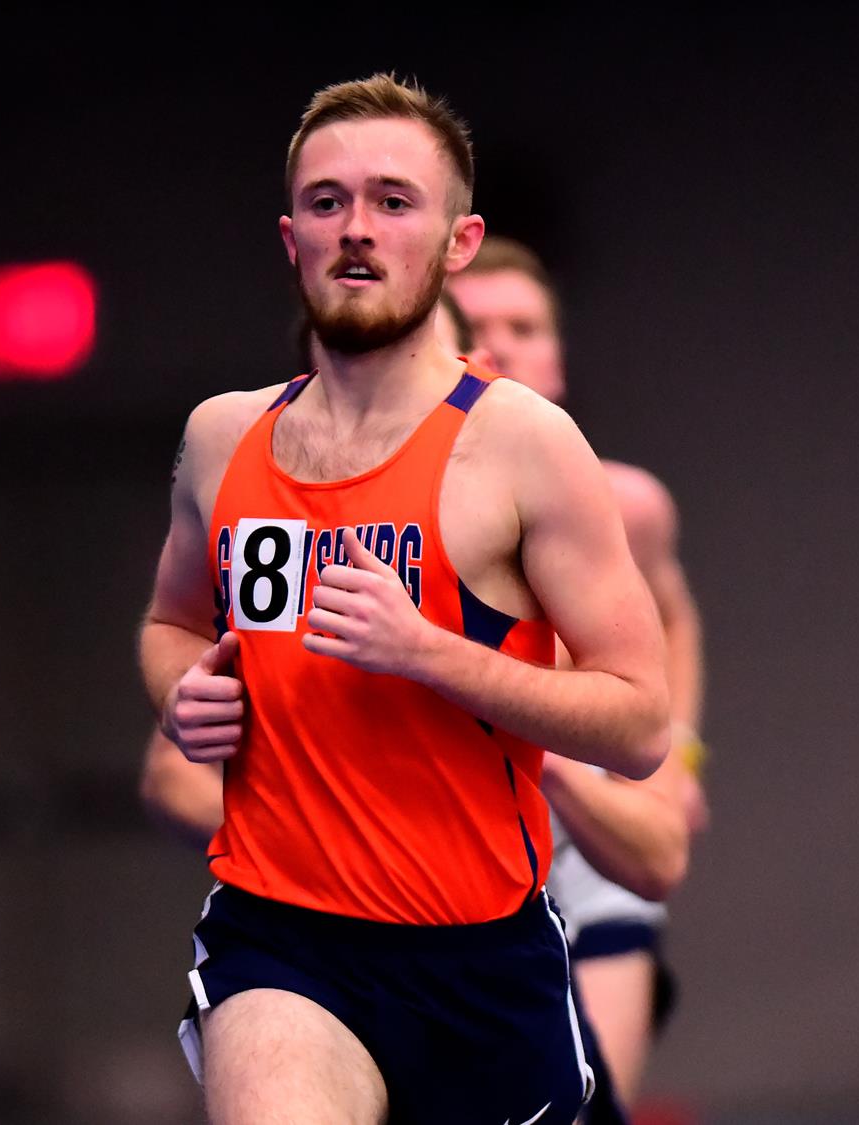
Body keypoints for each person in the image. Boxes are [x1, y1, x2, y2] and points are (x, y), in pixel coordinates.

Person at [139, 74, 670, 1125]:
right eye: (326, 202)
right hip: (281, 939)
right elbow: (171, 624)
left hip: (480, 961)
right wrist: (182, 694)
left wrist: (429, 651)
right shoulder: (222, 438)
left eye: (392, 201)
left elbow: (641, 724)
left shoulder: (521, 444)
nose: (356, 228)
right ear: (290, 238)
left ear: (458, 243)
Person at [449, 235, 709, 1111]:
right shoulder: (401, 506)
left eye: (525, 327)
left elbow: (674, 615)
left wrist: (677, 758)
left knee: (600, 1105)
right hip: (456, 841)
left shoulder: (628, 504)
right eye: (477, 326)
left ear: (557, 359)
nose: (502, 344)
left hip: (581, 829)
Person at [137, 291, 489, 851]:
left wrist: (428, 654)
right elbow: (174, 639)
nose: (382, 380)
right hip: (275, 893)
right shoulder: (238, 462)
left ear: (473, 367)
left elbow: (628, 727)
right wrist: (183, 697)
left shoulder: (536, 487)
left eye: (415, 357)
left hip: (484, 879)